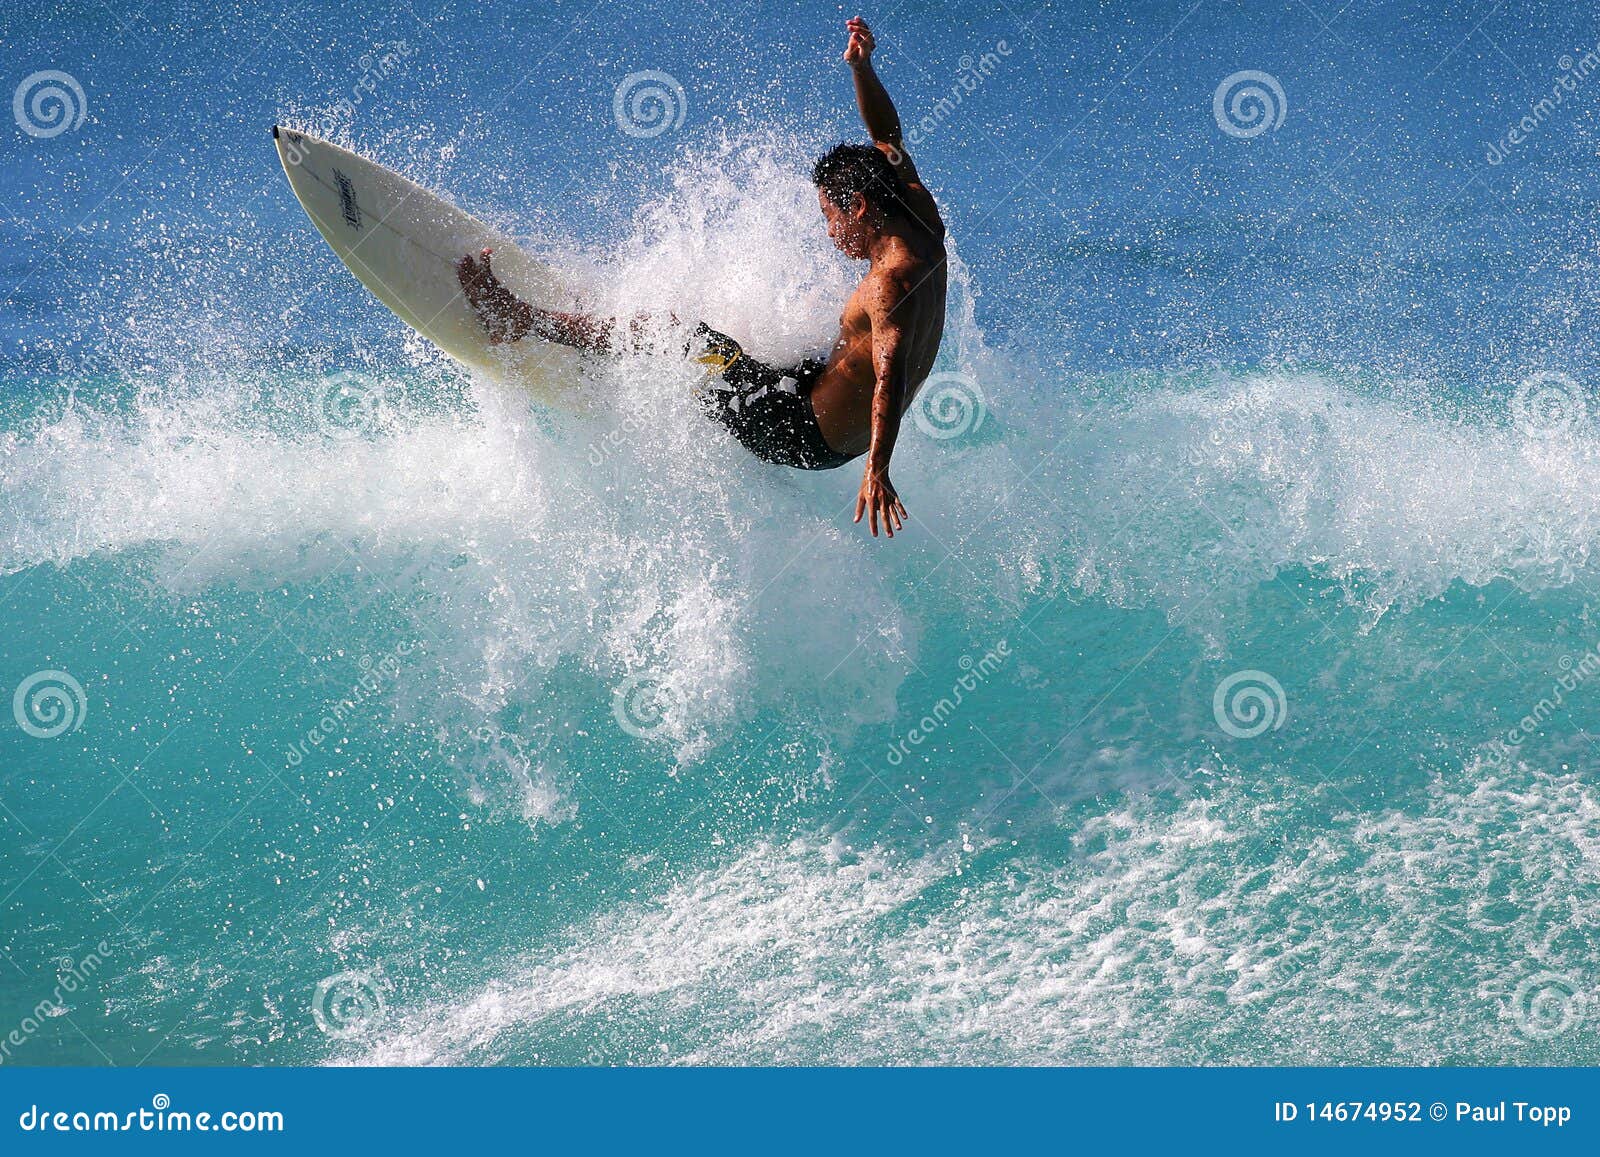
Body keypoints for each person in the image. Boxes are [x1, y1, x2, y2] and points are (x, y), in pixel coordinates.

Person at [457, 16, 947, 538]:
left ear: (861, 206)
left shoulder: (887, 287)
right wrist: (862, 69)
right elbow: (886, 137)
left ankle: (520, 320)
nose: (828, 230)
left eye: (830, 215)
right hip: (819, 405)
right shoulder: (921, 220)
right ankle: (609, 339)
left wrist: (879, 470)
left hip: (796, 431)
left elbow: (889, 380)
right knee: (742, 357)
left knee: (683, 338)